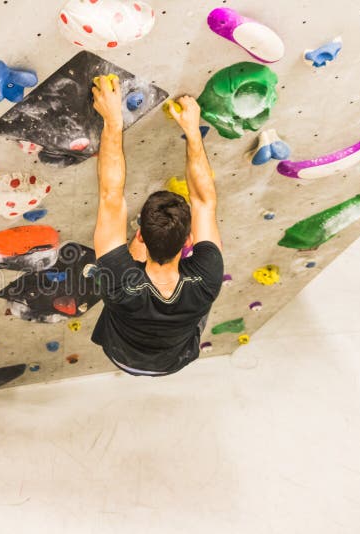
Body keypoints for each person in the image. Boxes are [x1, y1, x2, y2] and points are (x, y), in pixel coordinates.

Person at [89, 75, 224, 376]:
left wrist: (113, 121)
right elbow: (205, 201)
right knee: (130, 279)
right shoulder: (208, 276)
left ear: (140, 234)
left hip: (121, 352)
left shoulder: (120, 282)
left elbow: (111, 196)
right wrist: (193, 132)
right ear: (188, 240)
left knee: (125, 278)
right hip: (174, 359)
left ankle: (139, 255)